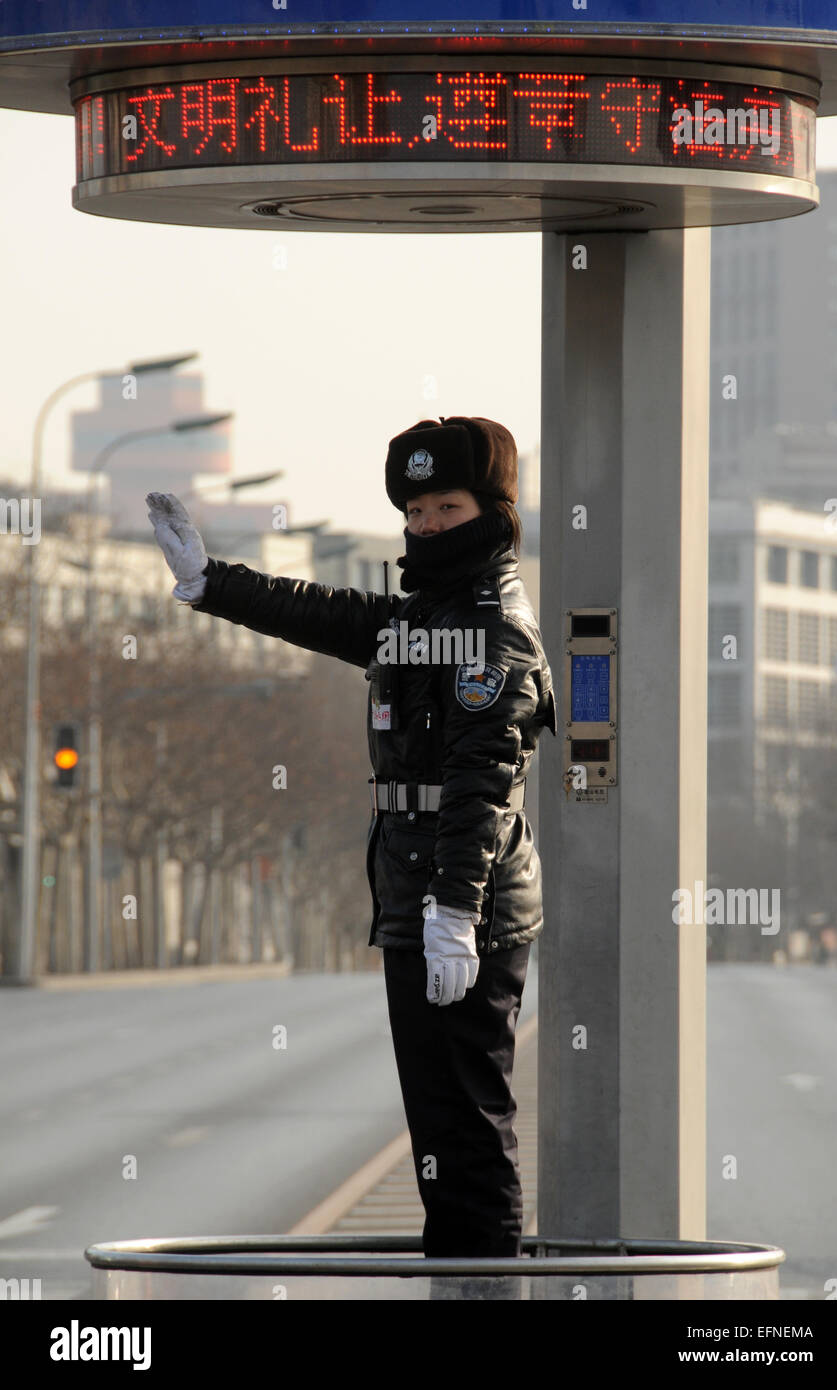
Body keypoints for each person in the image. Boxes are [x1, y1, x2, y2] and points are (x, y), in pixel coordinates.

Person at [145, 414, 556, 1286]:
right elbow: (326, 614)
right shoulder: (428, 614)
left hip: (461, 902)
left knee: (469, 1137)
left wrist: (456, 909)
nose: (428, 525)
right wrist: (210, 581)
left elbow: (482, 783)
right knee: (441, 1138)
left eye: (446, 506)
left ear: (492, 508)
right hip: (420, 896)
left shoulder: (492, 627)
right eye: (415, 510)